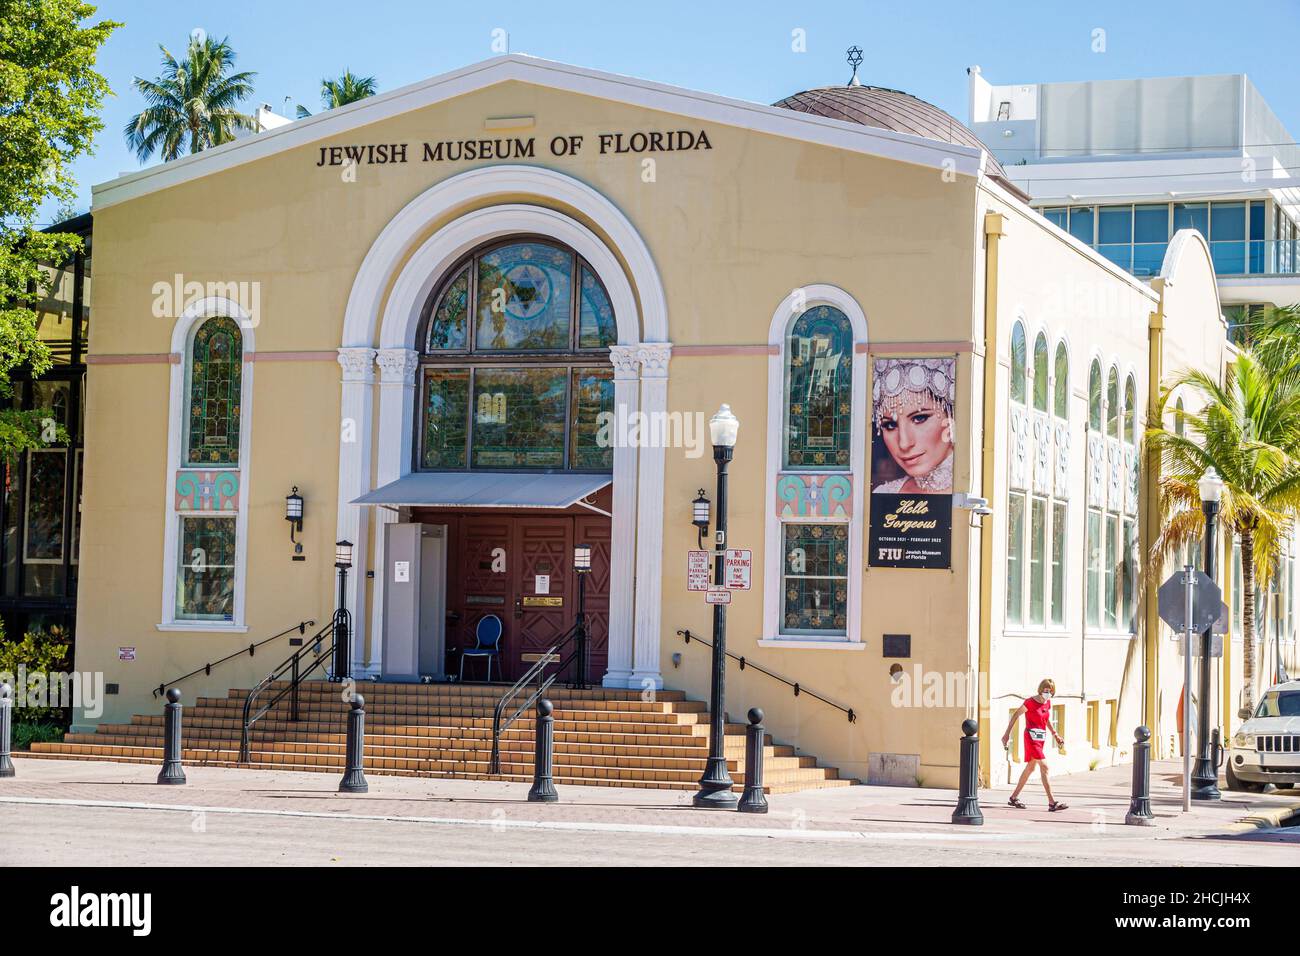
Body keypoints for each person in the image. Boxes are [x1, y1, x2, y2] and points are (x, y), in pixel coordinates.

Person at [871, 358, 955, 494]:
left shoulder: (976, 493)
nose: (904, 443)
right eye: (890, 425)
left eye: (919, 418)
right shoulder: (884, 493)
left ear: (951, 418)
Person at [1001, 678, 1069, 811]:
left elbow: (1046, 719)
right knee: (1044, 767)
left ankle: (1013, 798)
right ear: (1041, 689)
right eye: (1046, 690)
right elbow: (1015, 715)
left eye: (1050, 691)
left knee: (1030, 768)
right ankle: (1052, 803)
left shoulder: (1047, 703)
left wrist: (1055, 734)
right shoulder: (1030, 702)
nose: (1048, 692)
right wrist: (1007, 734)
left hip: (1040, 738)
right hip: (1031, 737)